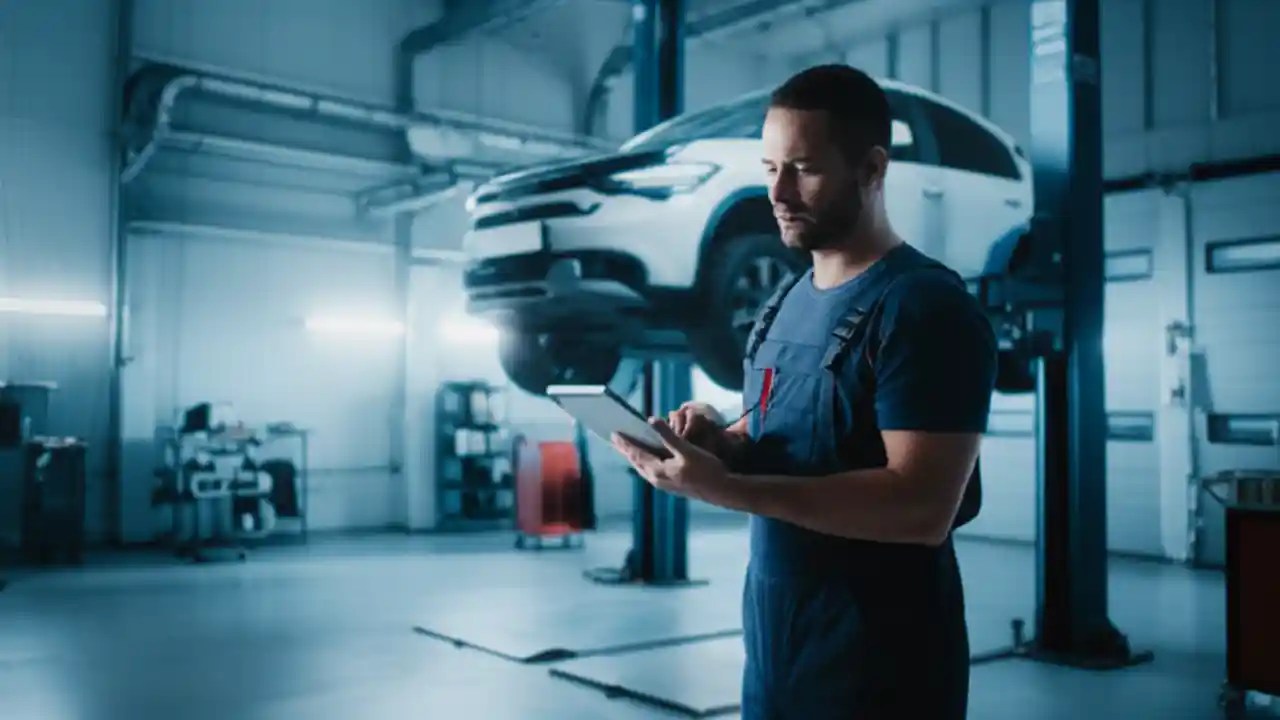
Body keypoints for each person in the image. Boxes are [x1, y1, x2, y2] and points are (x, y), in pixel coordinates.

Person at [610, 64, 997, 719]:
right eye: (769, 168)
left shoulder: (924, 308)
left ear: (872, 169)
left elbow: (923, 505)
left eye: (804, 169)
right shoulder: (780, 305)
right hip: (777, 664)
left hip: (882, 679)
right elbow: (776, 433)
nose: (778, 193)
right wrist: (718, 440)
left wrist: (724, 488)